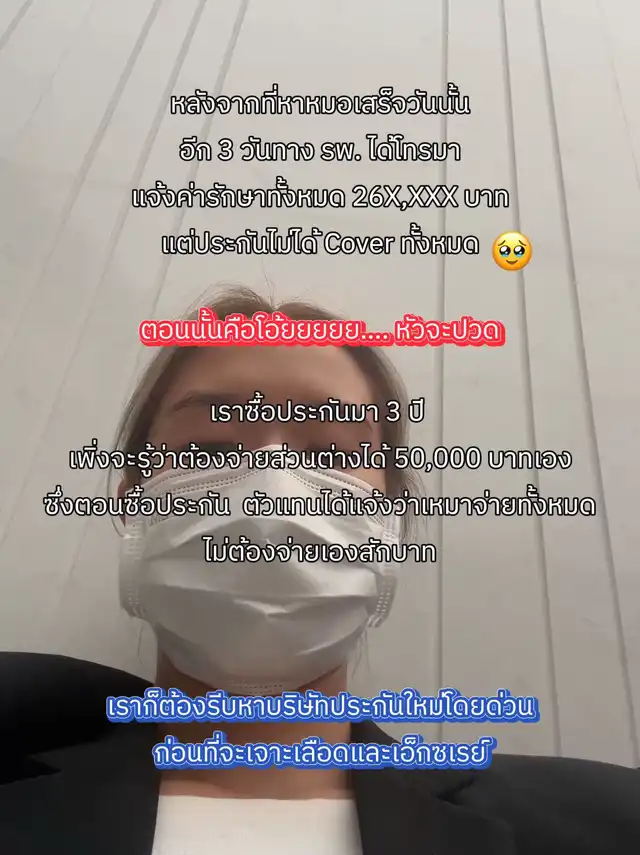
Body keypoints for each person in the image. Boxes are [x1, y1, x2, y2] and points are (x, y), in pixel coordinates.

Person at [1, 285, 638, 855]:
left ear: (389, 525)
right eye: (209, 448)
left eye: (331, 453)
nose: (269, 494)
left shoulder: (604, 824)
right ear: (133, 504)